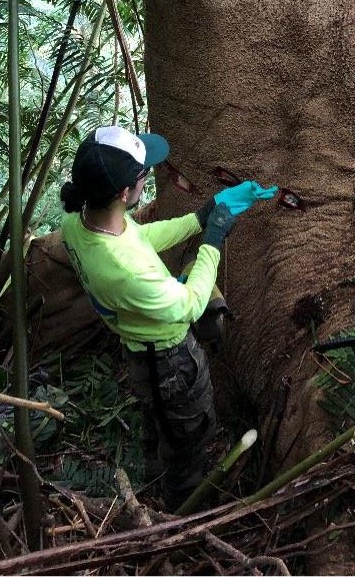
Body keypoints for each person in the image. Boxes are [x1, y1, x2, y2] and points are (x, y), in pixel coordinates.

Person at [59, 124, 277, 511]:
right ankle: (180, 515)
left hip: (140, 351)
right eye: (145, 174)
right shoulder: (124, 271)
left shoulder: (79, 224)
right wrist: (212, 239)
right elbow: (192, 302)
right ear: (126, 193)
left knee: (160, 424)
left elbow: (138, 238)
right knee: (187, 437)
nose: (148, 178)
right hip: (168, 362)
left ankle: (155, 477)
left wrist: (198, 218)